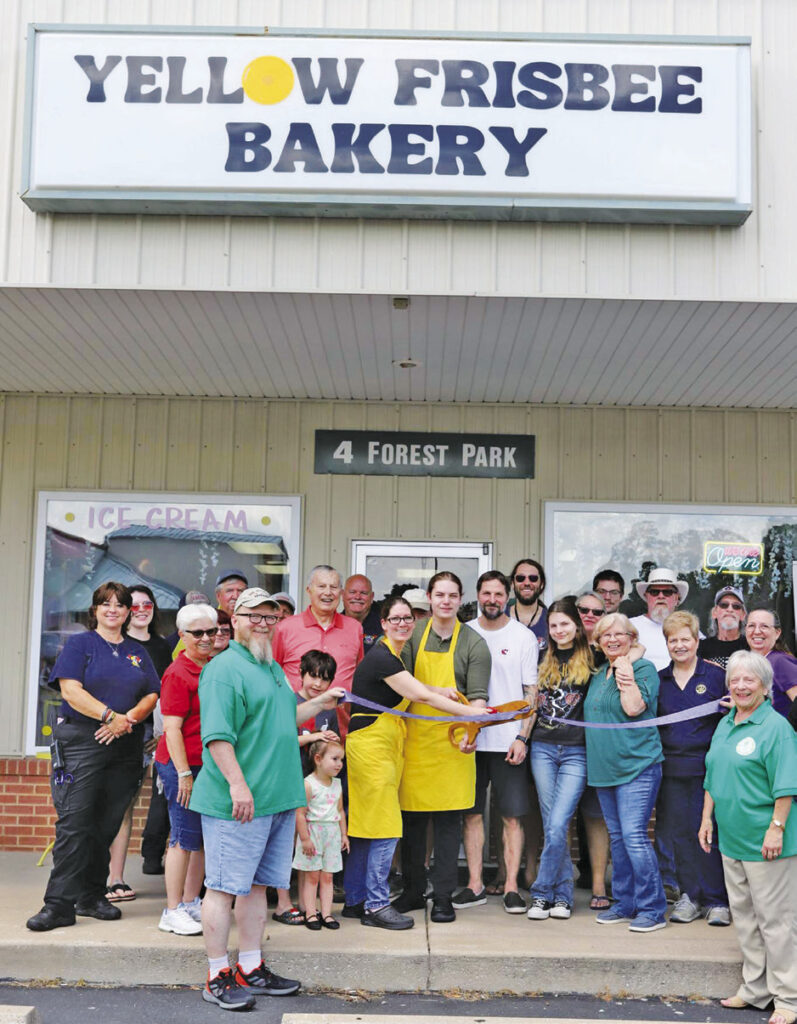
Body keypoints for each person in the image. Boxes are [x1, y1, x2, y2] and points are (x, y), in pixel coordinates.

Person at [189, 587, 345, 1011]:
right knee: (222, 889)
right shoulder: (223, 670)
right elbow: (217, 736)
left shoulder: (271, 667)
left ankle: (251, 966)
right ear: (235, 620)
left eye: (270, 617)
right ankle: (217, 974)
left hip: (276, 800)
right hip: (238, 803)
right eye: (253, 616)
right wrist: (238, 785)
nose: (262, 623)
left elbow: (283, 718)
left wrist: (320, 702)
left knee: (257, 888)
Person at [26, 582, 160, 932]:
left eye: (120, 604)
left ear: (128, 612)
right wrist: (109, 717)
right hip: (83, 740)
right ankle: (58, 904)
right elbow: (71, 690)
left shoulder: (136, 651)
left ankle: (91, 896)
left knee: (107, 822)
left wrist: (126, 720)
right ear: (95, 609)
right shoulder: (80, 644)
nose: (113, 609)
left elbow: (151, 694)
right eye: (106, 603)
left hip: (125, 744)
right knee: (75, 823)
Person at [343, 595, 483, 929]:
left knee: (365, 826)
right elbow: (420, 695)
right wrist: (473, 714)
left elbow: (412, 686)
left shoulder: (392, 658)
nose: (403, 624)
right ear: (383, 623)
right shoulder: (382, 657)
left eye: (408, 618)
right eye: (396, 619)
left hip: (379, 746)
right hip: (373, 749)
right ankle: (376, 906)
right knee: (386, 827)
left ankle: (356, 900)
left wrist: (440, 689)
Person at [700, 651, 797, 1024]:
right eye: (735, 680)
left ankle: (788, 998)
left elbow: (786, 783)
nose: (741, 686)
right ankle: (755, 990)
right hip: (732, 839)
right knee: (745, 918)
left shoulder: (776, 728)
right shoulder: (726, 723)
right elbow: (713, 774)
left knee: (776, 922)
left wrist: (776, 828)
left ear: (765, 686)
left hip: (767, 842)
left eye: (749, 680)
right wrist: (706, 819)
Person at [396, 572, 491, 924]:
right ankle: (412, 890)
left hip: (454, 744)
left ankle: (443, 897)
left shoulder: (474, 643)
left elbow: (478, 698)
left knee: (449, 825)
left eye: (452, 595)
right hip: (415, 741)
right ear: (430, 597)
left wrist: (471, 733)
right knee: (413, 823)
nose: (446, 601)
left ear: (460, 599)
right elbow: (400, 682)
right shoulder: (413, 634)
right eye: (440, 595)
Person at [456, 571, 538, 915]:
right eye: (486, 593)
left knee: (512, 817)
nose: (492, 599)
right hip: (470, 740)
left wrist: (522, 737)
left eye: (498, 594)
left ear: (507, 596)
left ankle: (511, 888)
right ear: (478, 595)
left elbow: (531, 694)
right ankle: (475, 884)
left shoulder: (523, 636)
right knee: (471, 814)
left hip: (508, 741)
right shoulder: (463, 632)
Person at [584, 612, 667, 933]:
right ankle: (625, 902)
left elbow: (633, 707)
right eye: (606, 635)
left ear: (632, 638)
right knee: (618, 839)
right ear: (598, 642)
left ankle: (652, 909)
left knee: (634, 837)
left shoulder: (644, 669)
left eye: (620, 634)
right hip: (605, 769)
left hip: (638, 765)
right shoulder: (598, 673)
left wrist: (627, 668)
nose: (613, 639)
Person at [656, 611, 729, 926]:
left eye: (685, 639)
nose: (680, 645)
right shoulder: (660, 680)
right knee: (681, 834)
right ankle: (690, 896)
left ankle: (717, 900)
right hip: (671, 770)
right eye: (673, 640)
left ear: (697, 641)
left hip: (708, 770)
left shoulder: (716, 676)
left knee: (709, 832)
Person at [154, 603, 219, 937]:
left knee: (200, 839)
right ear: (182, 635)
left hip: (206, 764)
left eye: (212, 631)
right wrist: (183, 774)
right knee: (181, 838)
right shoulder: (178, 673)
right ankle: (172, 909)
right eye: (198, 633)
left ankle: (192, 901)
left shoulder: (211, 666)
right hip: (182, 764)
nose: (206, 638)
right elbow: (172, 729)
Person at [527, 598, 592, 922]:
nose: (559, 630)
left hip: (576, 752)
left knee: (556, 824)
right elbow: (531, 703)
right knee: (552, 824)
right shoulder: (542, 656)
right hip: (543, 748)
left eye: (564, 623)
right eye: (553, 625)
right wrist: (522, 738)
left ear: (576, 626)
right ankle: (562, 896)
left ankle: (542, 893)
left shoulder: (592, 657)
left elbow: (634, 648)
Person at [106, 584, 172, 903]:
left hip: (149, 736)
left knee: (131, 804)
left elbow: (167, 693)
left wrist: (162, 733)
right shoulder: (113, 643)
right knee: (113, 804)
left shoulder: (162, 647)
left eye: (148, 604)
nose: (141, 610)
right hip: (115, 730)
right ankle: (103, 877)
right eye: (134, 605)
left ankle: (117, 878)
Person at [272, 565, 363, 737]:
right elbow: (272, 675)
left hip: (339, 731)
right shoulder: (285, 628)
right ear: (309, 590)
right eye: (321, 586)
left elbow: (358, 676)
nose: (328, 593)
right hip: (292, 729)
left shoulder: (354, 628)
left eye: (333, 587)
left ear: (341, 592)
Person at [573, 591, 612, 910]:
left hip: (596, 746)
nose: (589, 615)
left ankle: (599, 883)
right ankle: (557, 882)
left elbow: (634, 649)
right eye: (583, 610)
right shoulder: (560, 646)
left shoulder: (607, 652)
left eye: (596, 612)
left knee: (596, 815)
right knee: (556, 817)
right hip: (559, 744)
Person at [293, 739, 349, 931]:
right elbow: (300, 813)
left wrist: (344, 835)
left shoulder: (337, 784)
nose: (339, 764)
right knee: (312, 877)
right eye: (334, 759)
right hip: (313, 834)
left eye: (341, 759)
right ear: (318, 759)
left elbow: (340, 811)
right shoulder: (308, 784)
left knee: (328, 877)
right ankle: (310, 912)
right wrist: (305, 839)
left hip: (331, 835)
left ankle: (326, 913)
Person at [630, 567, 695, 672]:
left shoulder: (690, 629)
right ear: (646, 597)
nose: (661, 596)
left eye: (667, 592)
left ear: (676, 598)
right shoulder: (629, 626)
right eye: (654, 592)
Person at [744, 609, 797, 718]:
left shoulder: (780, 661)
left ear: (777, 633)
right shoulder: (749, 664)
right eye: (751, 626)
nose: (757, 631)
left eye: (764, 626)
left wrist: (785, 727)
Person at [699, 587, 748, 669]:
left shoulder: (751, 647)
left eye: (736, 606)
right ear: (714, 613)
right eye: (724, 605)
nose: (730, 609)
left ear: (743, 615)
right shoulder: (700, 647)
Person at [508, 558, 548, 654]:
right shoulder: (500, 619)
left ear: (541, 584)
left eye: (533, 578)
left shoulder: (551, 620)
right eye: (520, 578)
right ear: (512, 583)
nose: (526, 583)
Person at [343, 574, 384, 652]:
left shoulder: (384, 628)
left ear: (372, 597)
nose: (357, 597)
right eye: (352, 592)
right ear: (343, 595)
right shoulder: (331, 625)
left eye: (363, 593)